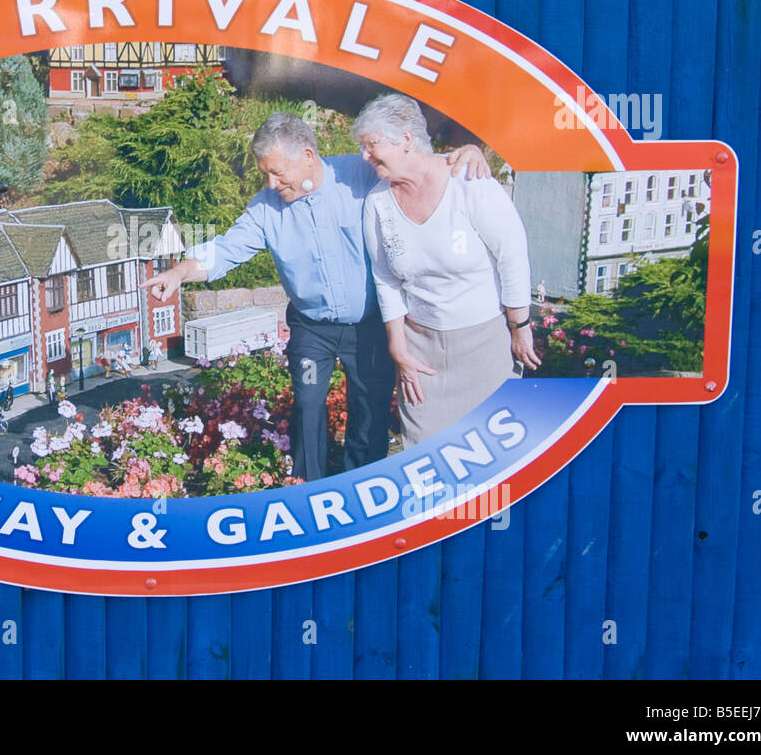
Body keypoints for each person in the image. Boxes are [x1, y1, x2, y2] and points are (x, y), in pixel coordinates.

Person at [142, 110, 488, 482]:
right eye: (265, 174)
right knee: (308, 406)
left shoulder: (358, 174)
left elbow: (411, 165)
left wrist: (465, 153)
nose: (271, 183)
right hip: (311, 328)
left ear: (308, 156)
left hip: (369, 325)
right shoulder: (265, 209)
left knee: (368, 409)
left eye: (278, 173)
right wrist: (179, 272)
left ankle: (363, 482)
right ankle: (308, 484)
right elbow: (225, 250)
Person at [355, 92, 540, 446]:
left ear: (406, 139)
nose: (365, 156)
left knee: (489, 461)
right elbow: (386, 279)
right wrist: (399, 348)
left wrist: (520, 327)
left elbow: (512, 255)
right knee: (422, 460)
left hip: (484, 350)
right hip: (421, 355)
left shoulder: (468, 180)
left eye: (371, 146)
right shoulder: (377, 202)